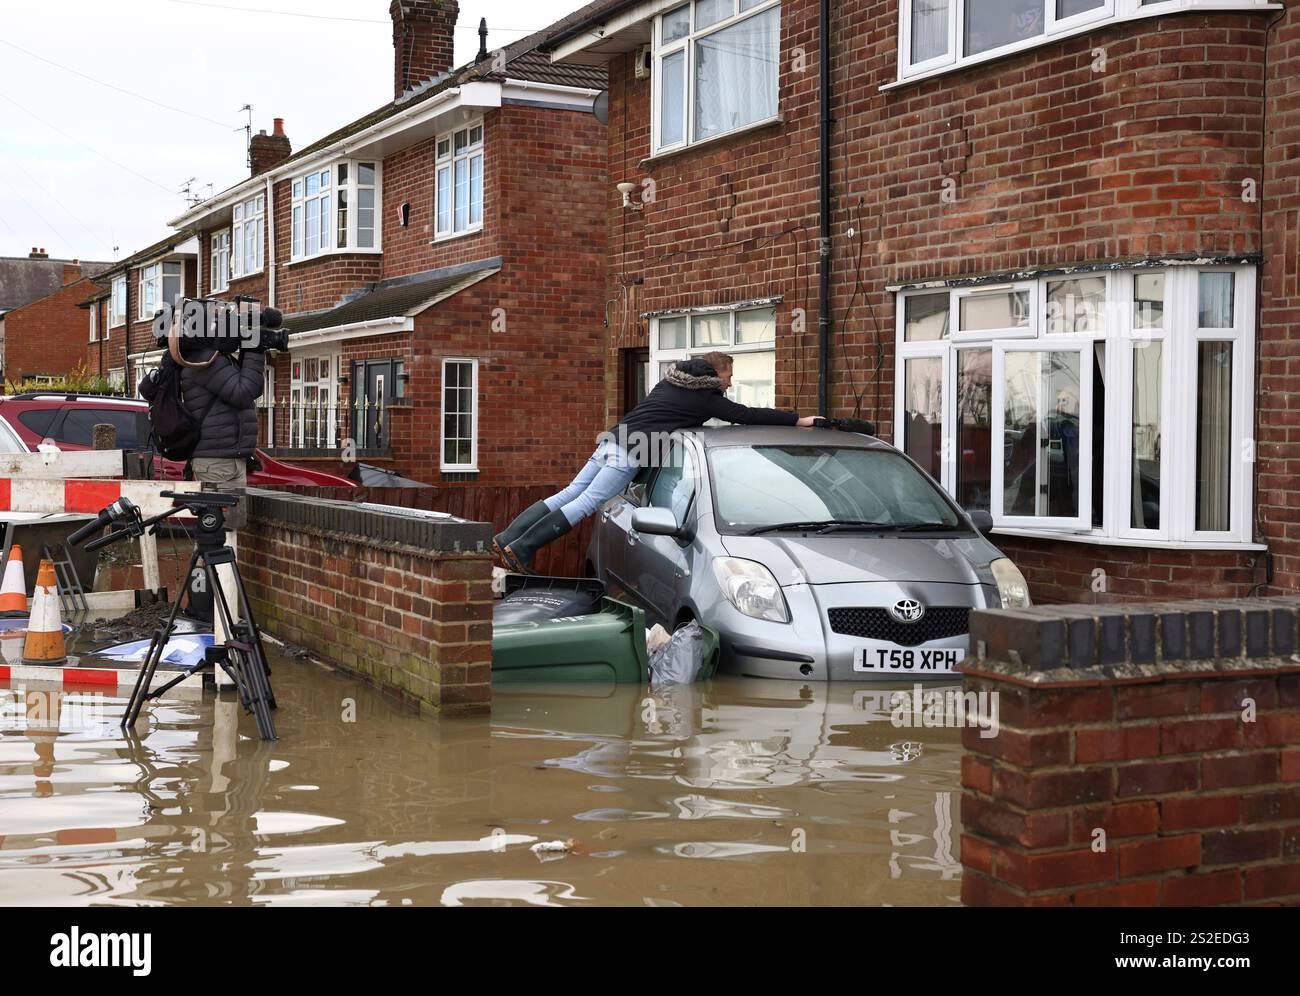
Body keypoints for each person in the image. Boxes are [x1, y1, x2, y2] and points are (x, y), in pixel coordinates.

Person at [494, 351, 822, 574]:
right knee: (588, 502)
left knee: (570, 492)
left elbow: (670, 417)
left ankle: (508, 539)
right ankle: (524, 548)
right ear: (715, 374)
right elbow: (747, 416)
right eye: (729, 375)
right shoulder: (706, 397)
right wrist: (797, 421)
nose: (731, 382)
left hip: (613, 439)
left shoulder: (668, 383)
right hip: (630, 452)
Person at [140, 344, 266, 528]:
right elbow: (243, 393)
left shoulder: (211, 358)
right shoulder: (204, 360)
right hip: (217, 462)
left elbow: (252, 389)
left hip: (225, 459)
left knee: (224, 530)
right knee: (216, 533)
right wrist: (256, 349)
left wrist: (250, 350)